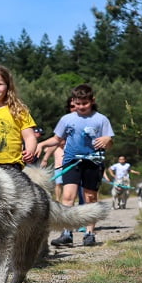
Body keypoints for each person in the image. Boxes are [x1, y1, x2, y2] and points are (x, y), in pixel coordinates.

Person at [35, 84, 114, 247]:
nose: (81, 107)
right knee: (68, 196)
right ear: (73, 102)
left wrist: (107, 140)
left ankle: (90, 233)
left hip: (94, 162)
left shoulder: (101, 119)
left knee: (90, 197)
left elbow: (109, 142)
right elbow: (57, 139)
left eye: (84, 103)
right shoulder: (67, 119)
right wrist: (42, 144)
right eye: (77, 103)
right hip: (72, 161)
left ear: (92, 101)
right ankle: (66, 233)